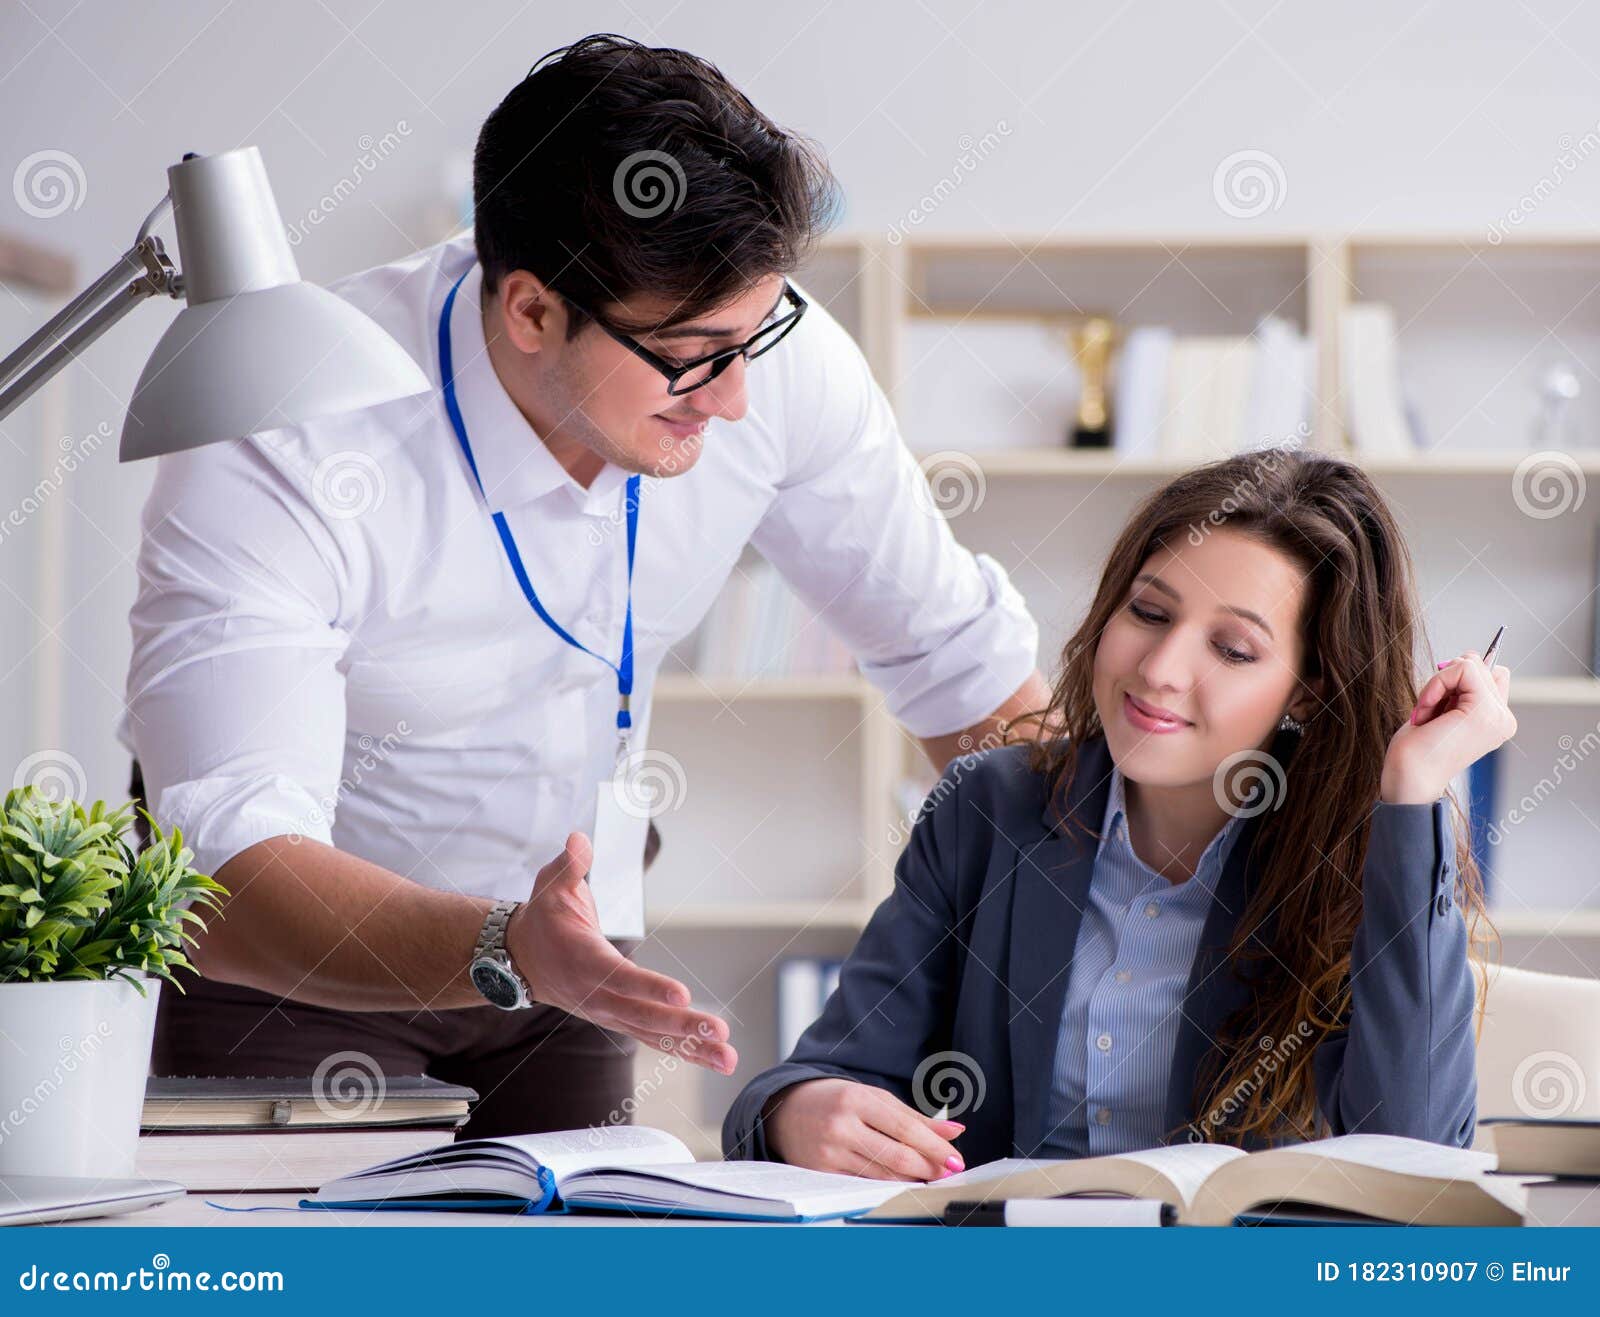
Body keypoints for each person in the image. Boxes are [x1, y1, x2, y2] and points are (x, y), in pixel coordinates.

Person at [123, 35, 1045, 1137]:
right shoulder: (290, 428)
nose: (737, 399)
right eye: (692, 355)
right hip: (297, 972)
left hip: (572, 946)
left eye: (758, 334)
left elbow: (964, 673)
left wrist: (1103, 918)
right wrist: (502, 945)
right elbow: (229, 864)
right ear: (530, 313)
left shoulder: (756, 360)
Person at [723, 448, 1507, 1179]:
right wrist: (797, 1112)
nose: (1160, 670)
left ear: (1308, 687)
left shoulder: (1357, 856)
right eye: (1149, 611)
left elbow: (1421, 1165)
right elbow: (821, 1074)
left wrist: (1412, 791)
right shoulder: (988, 808)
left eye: (1232, 650)